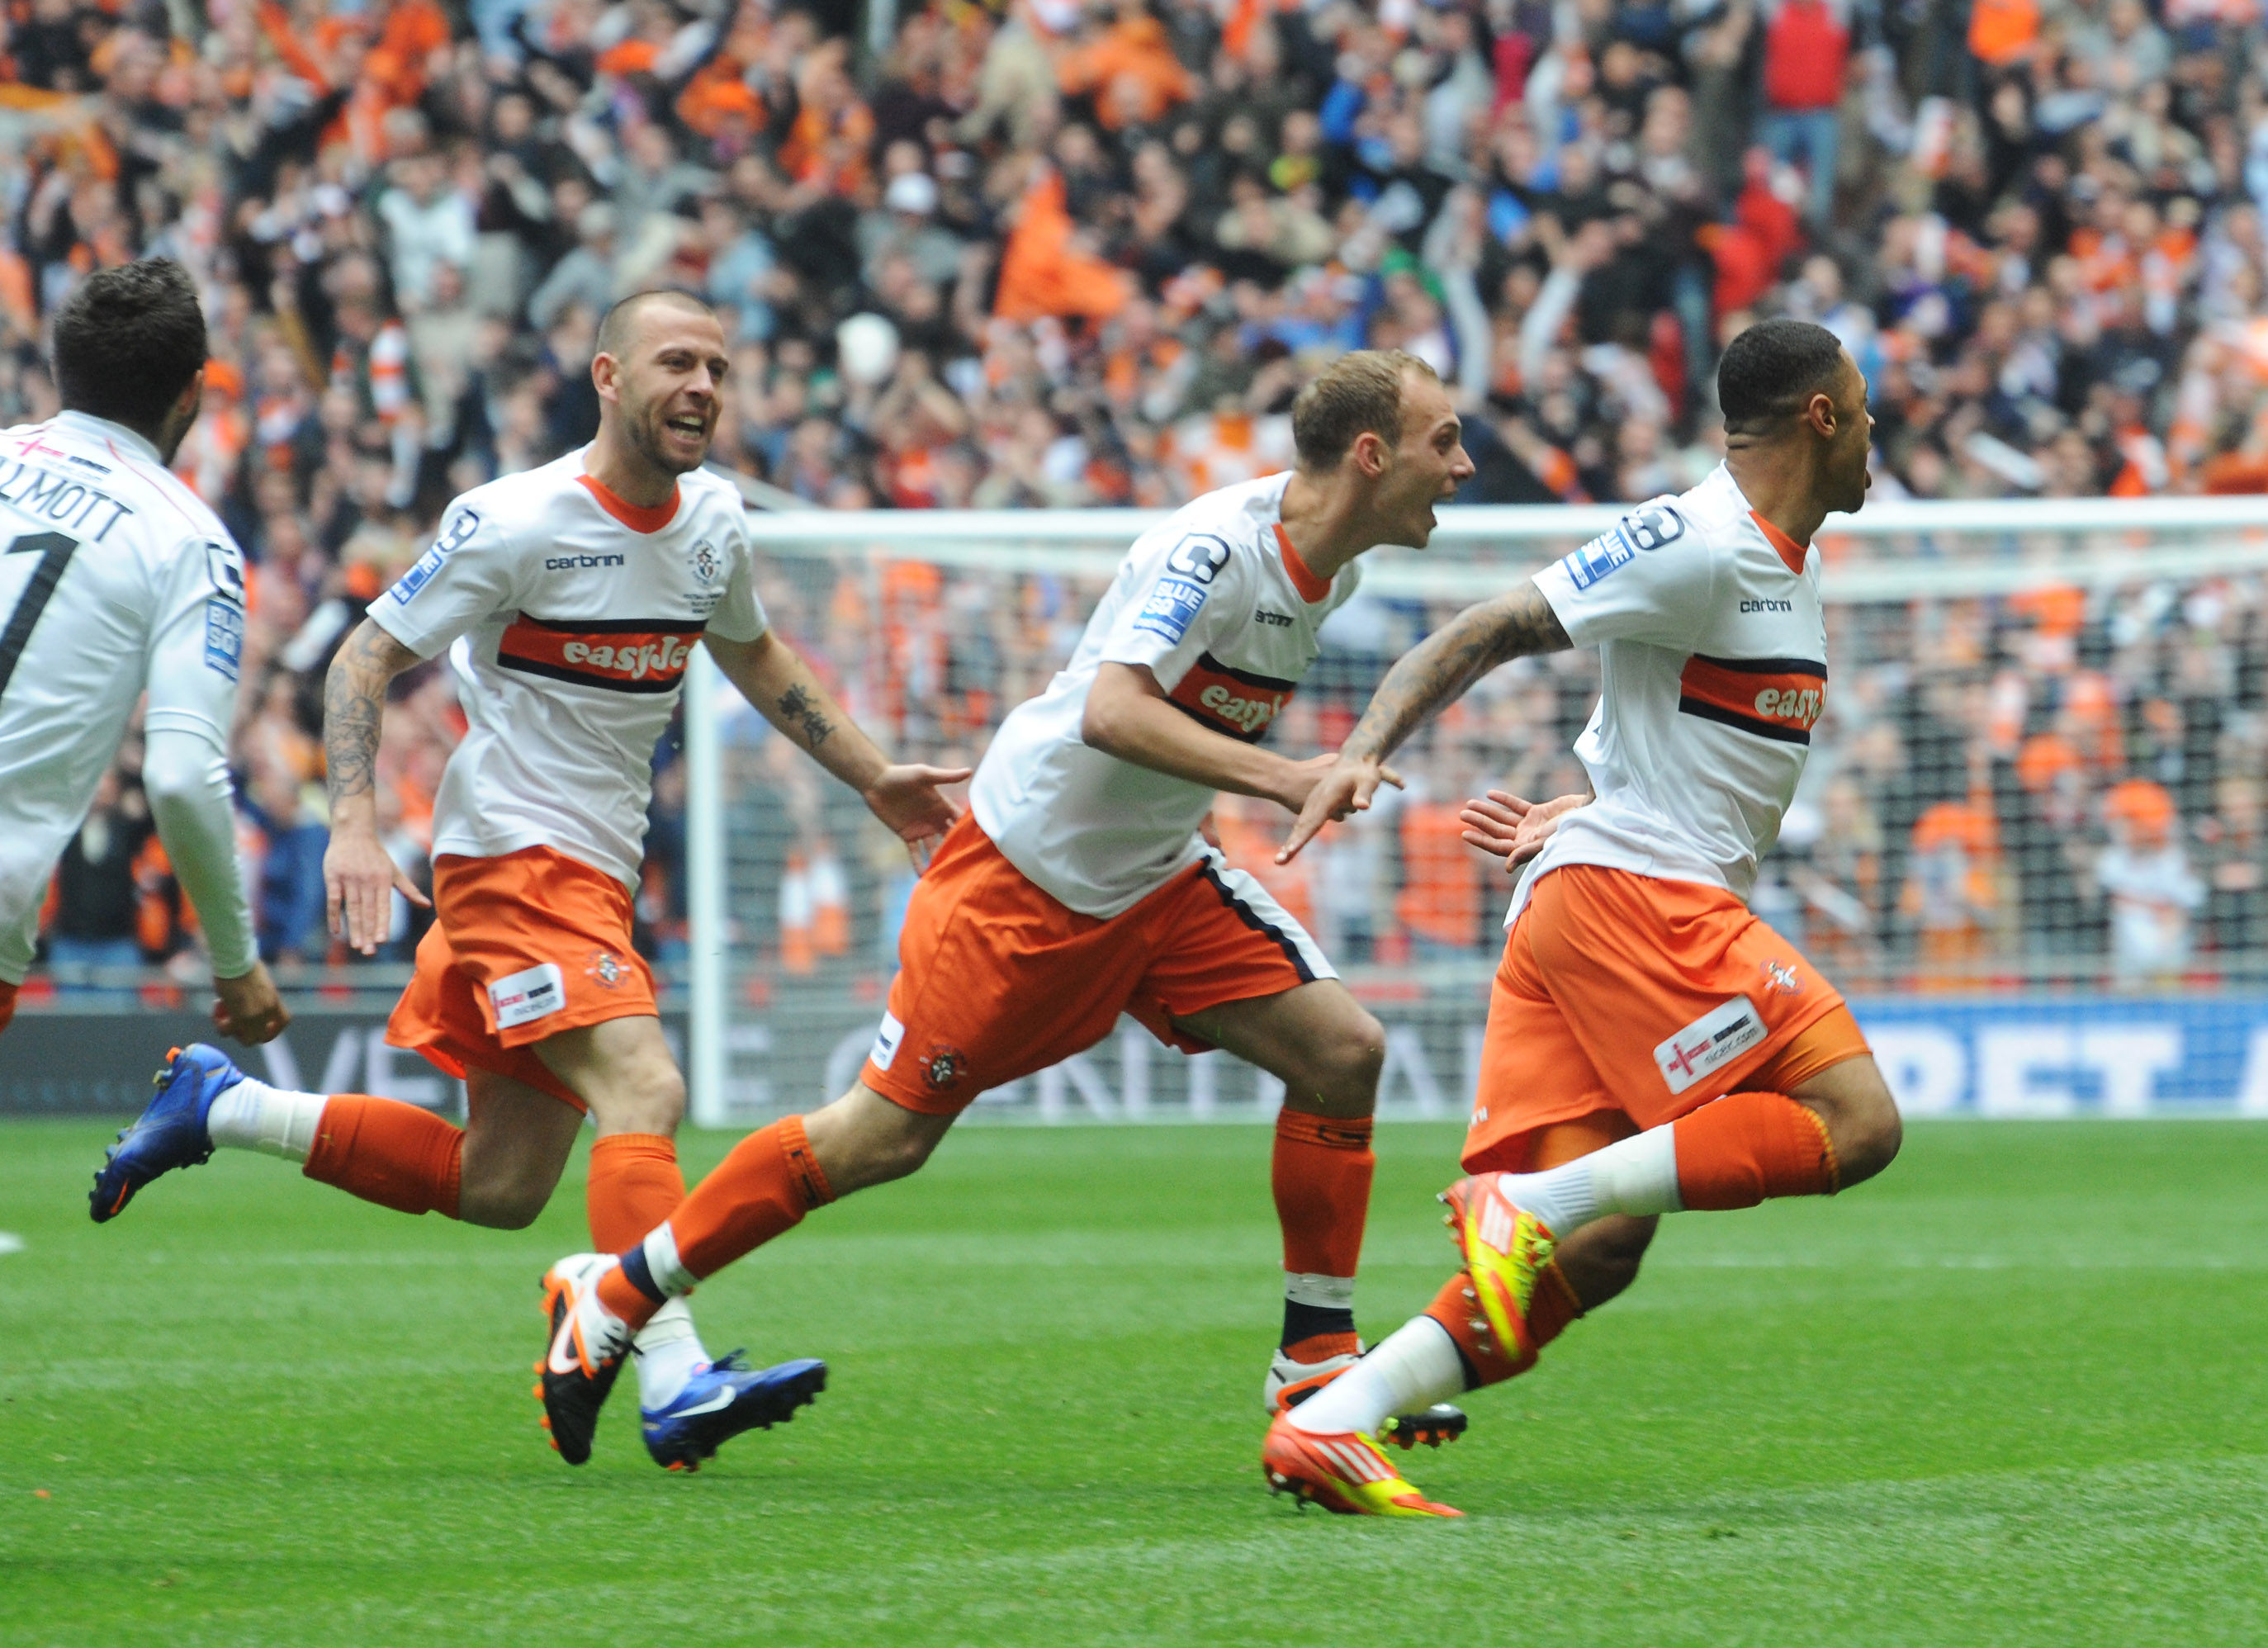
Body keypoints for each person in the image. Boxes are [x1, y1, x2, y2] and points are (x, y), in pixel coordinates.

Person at [532, 349, 1478, 1466]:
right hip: (1022, 882)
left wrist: (1203, 818)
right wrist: (1281, 778)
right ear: (1368, 455)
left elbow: (1182, 725)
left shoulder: (1333, 574)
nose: (1461, 466)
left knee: (1342, 1054)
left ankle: (1313, 1357)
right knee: (881, 1139)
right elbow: (1112, 712)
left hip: (1157, 879)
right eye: (1442, 441)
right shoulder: (1214, 549)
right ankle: (614, 1293)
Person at [92, 289, 966, 1475]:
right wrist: (355, 821)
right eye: (676, 362)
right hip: (513, 860)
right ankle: (670, 1371)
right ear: (608, 377)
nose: (702, 386)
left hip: (594, 872)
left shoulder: (714, 521)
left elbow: (752, 651)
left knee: (499, 1182)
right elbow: (363, 657)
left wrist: (872, 778)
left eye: (717, 367)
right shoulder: (513, 521)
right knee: (645, 1085)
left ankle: (221, 1106)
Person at [1259, 319, 1906, 1517]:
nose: (1876, 436)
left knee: (1599, 1251)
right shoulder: (1696, 540)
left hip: (1596, 893)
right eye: (1864, 414)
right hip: (1638, 901)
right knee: (1854, 1122)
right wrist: (1359, 750)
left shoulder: (1788, 561)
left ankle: (1330, 1422)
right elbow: (1485, 628)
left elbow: (1665, 731)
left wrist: (1597, 800)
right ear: (1821, 418)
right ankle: (1523, 1204)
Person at [0, 260, 286, 1063]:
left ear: (60, 365)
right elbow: (182, 776)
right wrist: (236, 962)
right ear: (192, 392)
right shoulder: (191, 542)